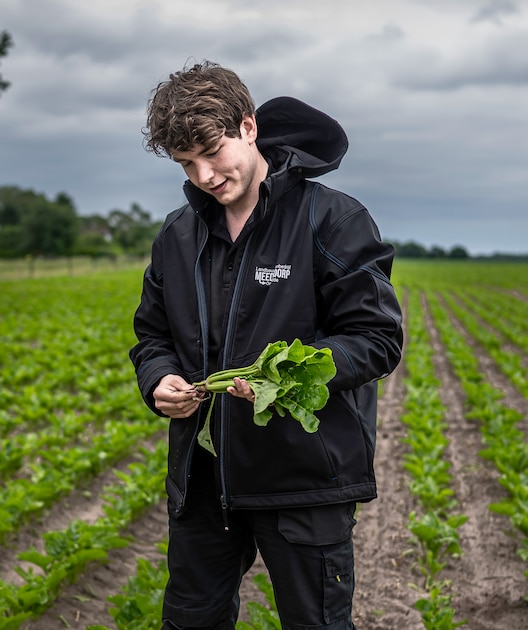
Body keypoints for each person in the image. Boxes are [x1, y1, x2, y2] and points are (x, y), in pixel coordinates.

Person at [129, 60, 403, 630]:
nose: (204, 174)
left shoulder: (331, 219)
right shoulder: (178, 236)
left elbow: (376, 339)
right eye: (186, 163)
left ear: (248, 127)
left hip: (304, 480)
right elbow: (152, 334)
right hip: (206, 482)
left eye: (212, 151)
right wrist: (158, 380)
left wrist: (292, 378)